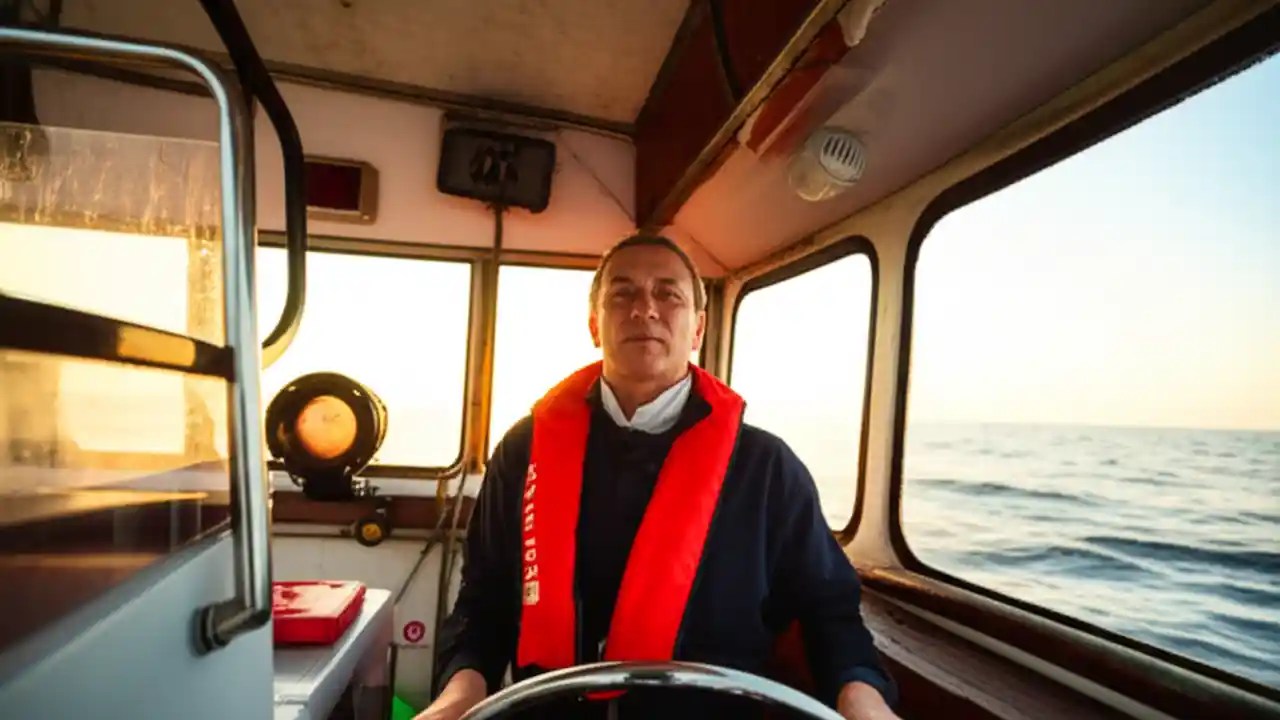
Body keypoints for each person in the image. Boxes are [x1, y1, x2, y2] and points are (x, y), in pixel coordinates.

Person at [417, 235, 899, 720]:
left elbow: (829, 613)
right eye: (622, 293)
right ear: (594, 325)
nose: (644, 309)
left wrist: (863, 700)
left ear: (698, 329)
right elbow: (483, 604)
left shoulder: (767, 468)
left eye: (668, 294)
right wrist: (456, 700)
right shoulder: (523, 452)